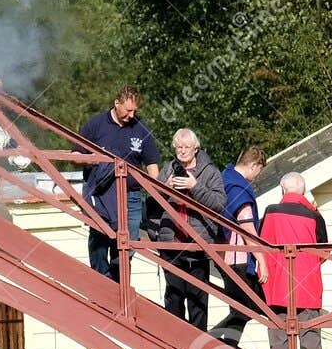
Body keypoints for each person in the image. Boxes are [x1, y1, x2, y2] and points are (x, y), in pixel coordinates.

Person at [78, 87, 160, 278]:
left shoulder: (142, 128)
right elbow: (76, 154)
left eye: (135, 111)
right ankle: (102, 288)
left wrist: (158, 195)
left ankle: (118, 292)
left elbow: (152, 167)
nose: (132, 115)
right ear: (117, 103)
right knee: (99, 244)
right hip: (101, 195)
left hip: (131, 198)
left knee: (125, 249)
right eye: (128, 110)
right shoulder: (96, 124)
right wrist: (97, 159)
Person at [153, 128, 228, 327]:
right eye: (178, 147)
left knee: (198, 300)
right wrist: (164, 188)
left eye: (186, 147)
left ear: (196, 149)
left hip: (198, 244)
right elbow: (151, 203)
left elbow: (219, 204)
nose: (182, 151)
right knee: (174, 297)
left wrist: (194, 186)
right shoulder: (168, 168)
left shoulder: (210, 171)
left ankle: (198, 348)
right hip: (171, 243)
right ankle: (175, 344)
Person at [258, 172, 331, 349]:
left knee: (279, 338)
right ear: (304, 191)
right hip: (308, 284)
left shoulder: (270, 212)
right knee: (311, 337)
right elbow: (324, 251)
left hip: (277, 284)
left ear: (282, 190)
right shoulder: (315, 216)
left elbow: (261, 244)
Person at [215, 144, 267, 347]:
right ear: (254, 165)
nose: (258, 175)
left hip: (223, 254)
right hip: (238, 257)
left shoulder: (224, 177)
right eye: (260, 170)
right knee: (247, 307)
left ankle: (227, 346)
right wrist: (261, 259)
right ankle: (216, 341)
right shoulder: (239, 187)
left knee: (242, 307)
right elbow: (247, 227)